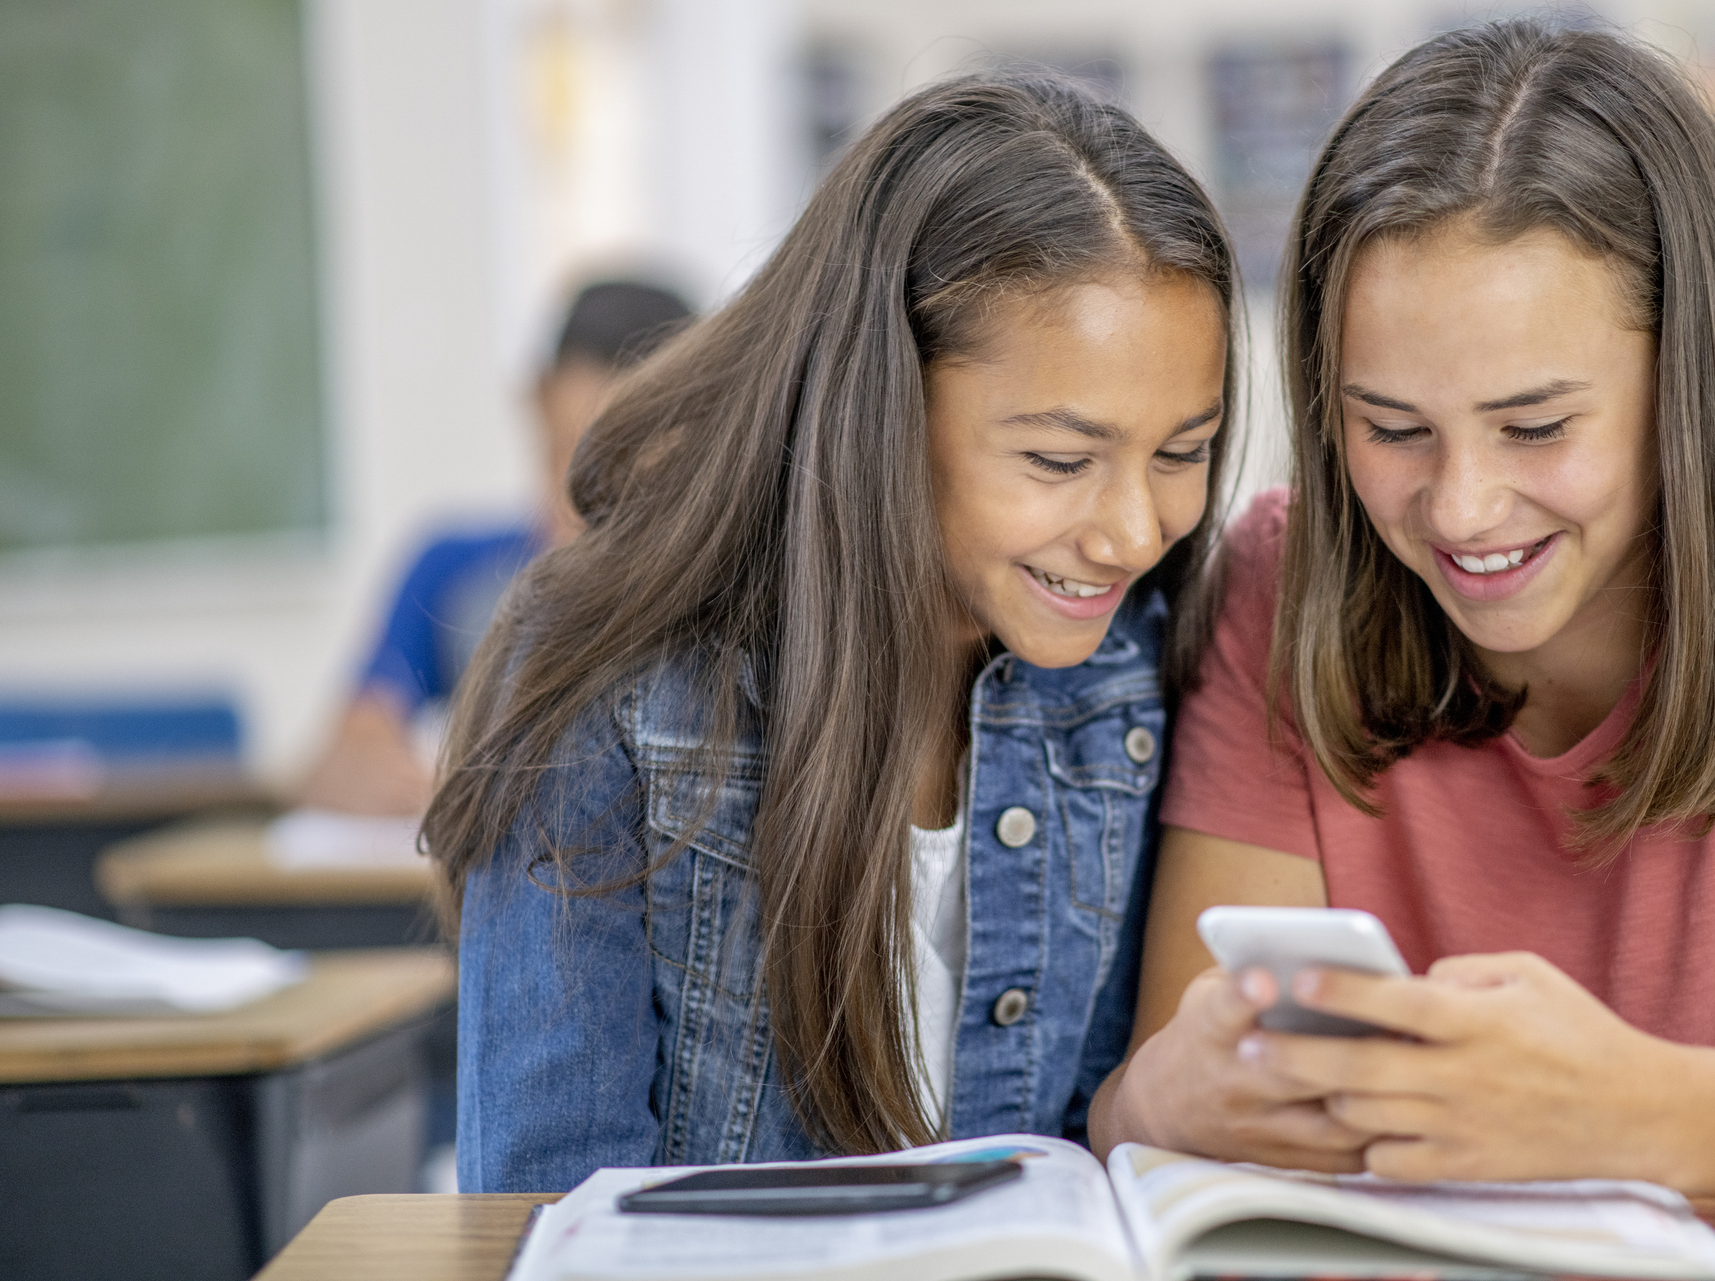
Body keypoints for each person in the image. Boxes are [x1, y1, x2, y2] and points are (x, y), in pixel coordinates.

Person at [1090, 21, 1715, 1270]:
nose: (1462, 507)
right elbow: (1169, 1092)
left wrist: (1627, 1110)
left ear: (1684, 377)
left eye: (1535, 426)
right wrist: (1151, 1104)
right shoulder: (1285, 574)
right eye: (1393, 428)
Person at [424, 73, 1239, 1189]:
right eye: (1060, 460)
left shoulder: (1143, 666)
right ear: (882, 403)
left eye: (1183, 451)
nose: (1136, 529)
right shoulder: (611, 684)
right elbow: (546, 1203)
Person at [297, 279, 691, 819]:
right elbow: (333, 760)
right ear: (534, 404)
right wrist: (370, 771)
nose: (577, 511)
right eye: (562, 460)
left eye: (620, 480)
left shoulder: (709, 604)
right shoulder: (452, 573)